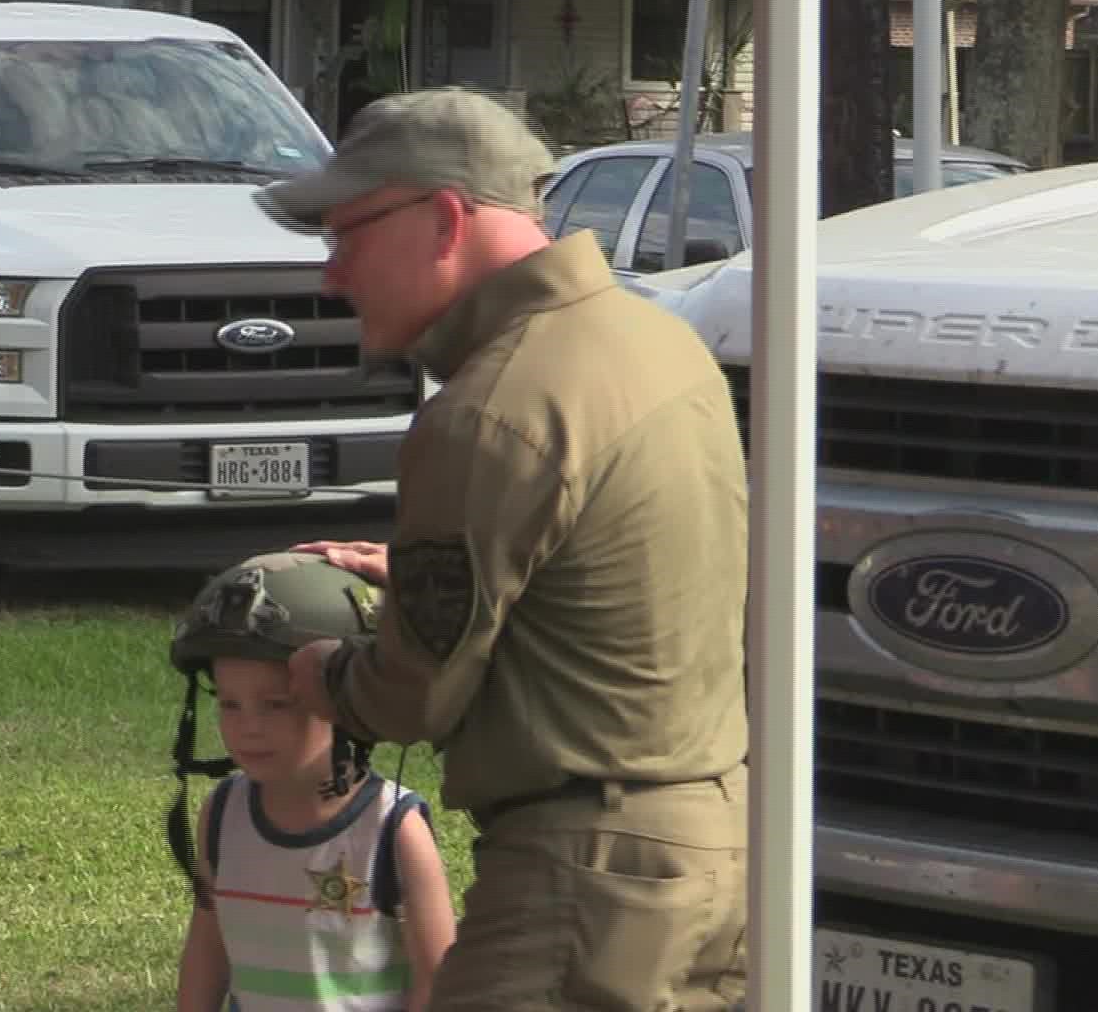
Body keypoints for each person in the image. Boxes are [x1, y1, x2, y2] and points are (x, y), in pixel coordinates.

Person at [258, 87, 751, 1010]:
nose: (333, 274)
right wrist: (416, 582)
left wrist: (320, 668)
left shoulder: (489, 412)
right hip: (724, 850)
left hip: (584, 877)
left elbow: (412, 693)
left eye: (347, 233)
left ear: (444, 218)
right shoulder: (662, 343)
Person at [168, 552, 456, 1012]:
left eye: (277, 704)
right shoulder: (223, 815)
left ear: (345, 702)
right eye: (229, 704)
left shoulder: (392, 830)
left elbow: (437, 976)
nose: (249, 727)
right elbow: (209, 947)